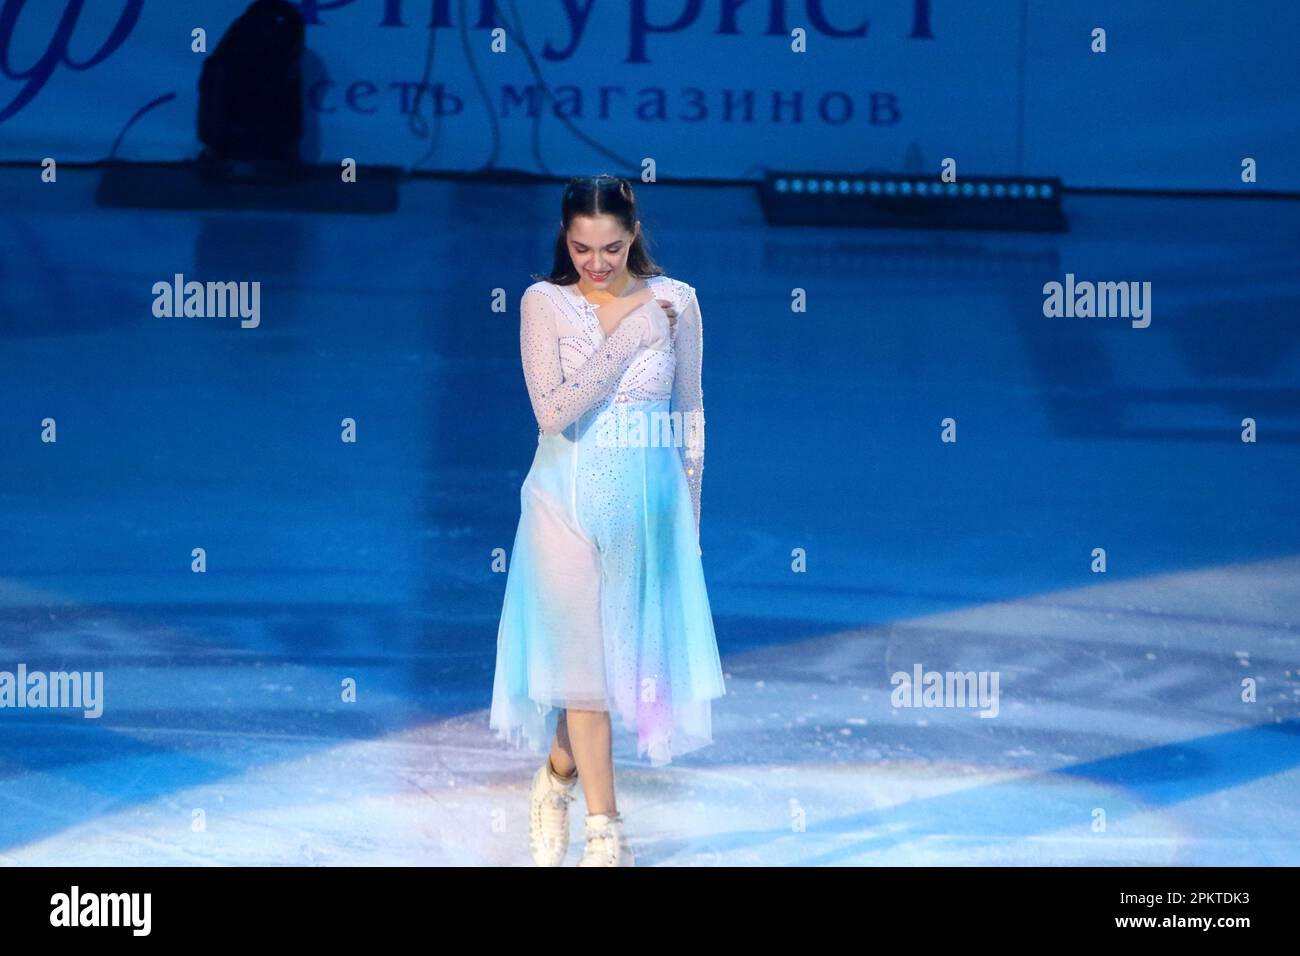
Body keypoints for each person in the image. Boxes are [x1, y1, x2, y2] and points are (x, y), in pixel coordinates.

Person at [489, 174, 726, 866]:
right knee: (584, 674)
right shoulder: (544, 304)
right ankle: (606, 836)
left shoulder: (677, 301)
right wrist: (628, 334)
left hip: (644, 515)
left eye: (612, 247)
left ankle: (554, 780)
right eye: (583, 246)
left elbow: (690, 418)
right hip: (561, 509)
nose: (597, 261)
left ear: (634, 236)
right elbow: (553, 412)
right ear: (566, 238)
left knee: (619, 680)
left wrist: (691, 520)